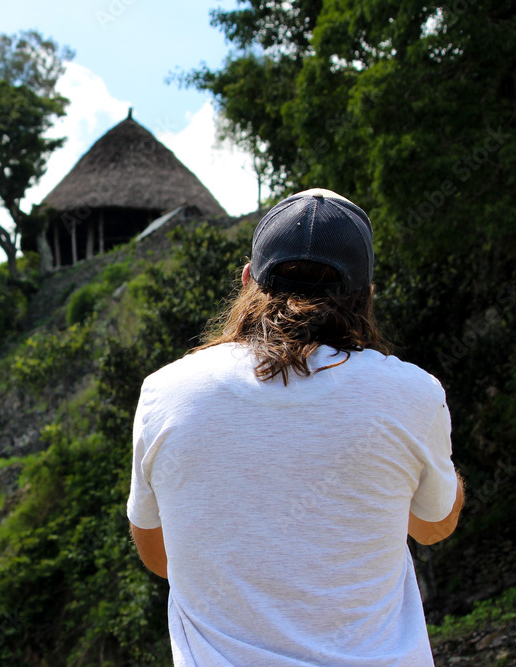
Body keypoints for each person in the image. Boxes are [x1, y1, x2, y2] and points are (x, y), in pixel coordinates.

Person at [126, 188, 464, 666]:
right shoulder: (413, 394)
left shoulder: (166, 392)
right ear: (366, 295)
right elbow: (434, 526)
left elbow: (162, 559)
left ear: (248, 281)